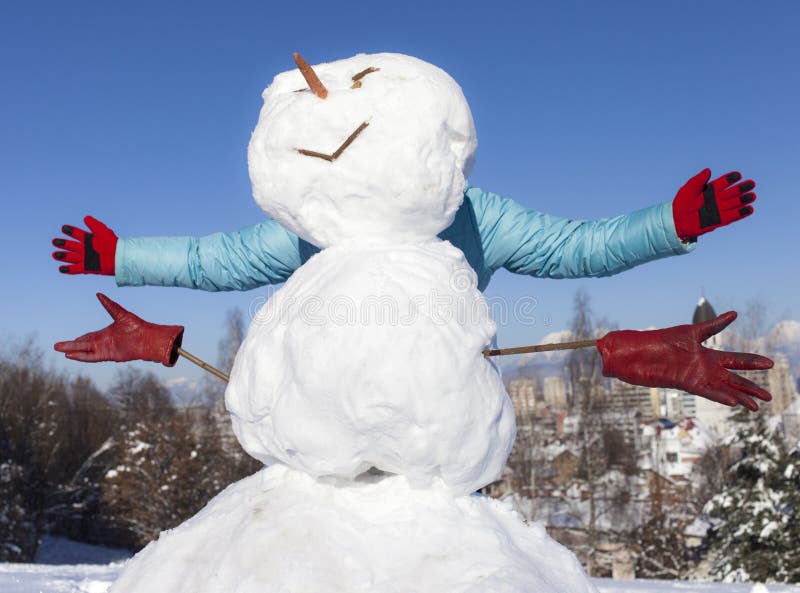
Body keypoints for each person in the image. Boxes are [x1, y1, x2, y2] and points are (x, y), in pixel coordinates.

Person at [52, 168, 756, 293]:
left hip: (436, 421)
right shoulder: (321, 226)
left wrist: (666, 224)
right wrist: (125, 256)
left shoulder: (481, 217)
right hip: (335, 419)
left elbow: (579, 247)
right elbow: (215, 260)